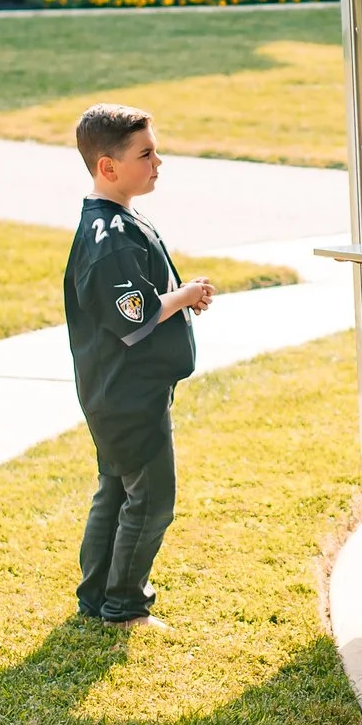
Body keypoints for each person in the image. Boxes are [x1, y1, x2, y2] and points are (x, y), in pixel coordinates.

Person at [64, 104, 213, 631]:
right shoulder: (110, 240)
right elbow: (137, 315)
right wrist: (186, 294)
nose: (158, 162)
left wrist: (176, 295)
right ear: (108, 167)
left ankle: (97, 594)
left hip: (118, 389)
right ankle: (124, 604)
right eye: (145, 154)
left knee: (116, 487)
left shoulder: (115, 221)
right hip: (129, 394)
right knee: (150, 499)